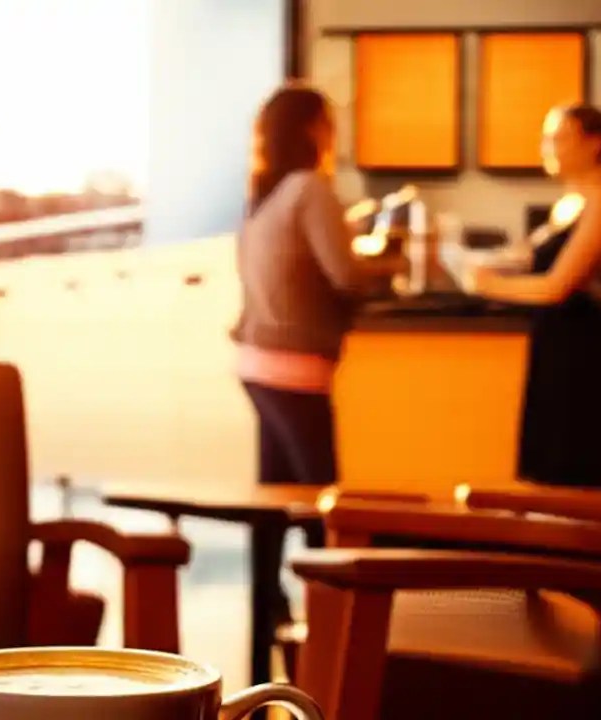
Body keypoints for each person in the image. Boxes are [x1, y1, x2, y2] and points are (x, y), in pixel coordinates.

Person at [229, 83, 383, 638]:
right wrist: (391, 262)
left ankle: (268, 611)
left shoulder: (264, 194)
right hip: (296, 365)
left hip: (256, 362)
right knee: (324, 505)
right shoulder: (310, 188)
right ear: (315, 128)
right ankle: (332, 622)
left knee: (276, 497)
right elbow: (346, 275)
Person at [469, 103, 601, 489]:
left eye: (559, 138)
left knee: (571, 463)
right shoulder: (567, 203)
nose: (547, 148)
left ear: (594, 143)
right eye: (546, 139)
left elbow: (557, 285)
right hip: (553, 341)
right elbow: (525, 259)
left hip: (580, 348)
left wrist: (488, 285)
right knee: (543, 466)